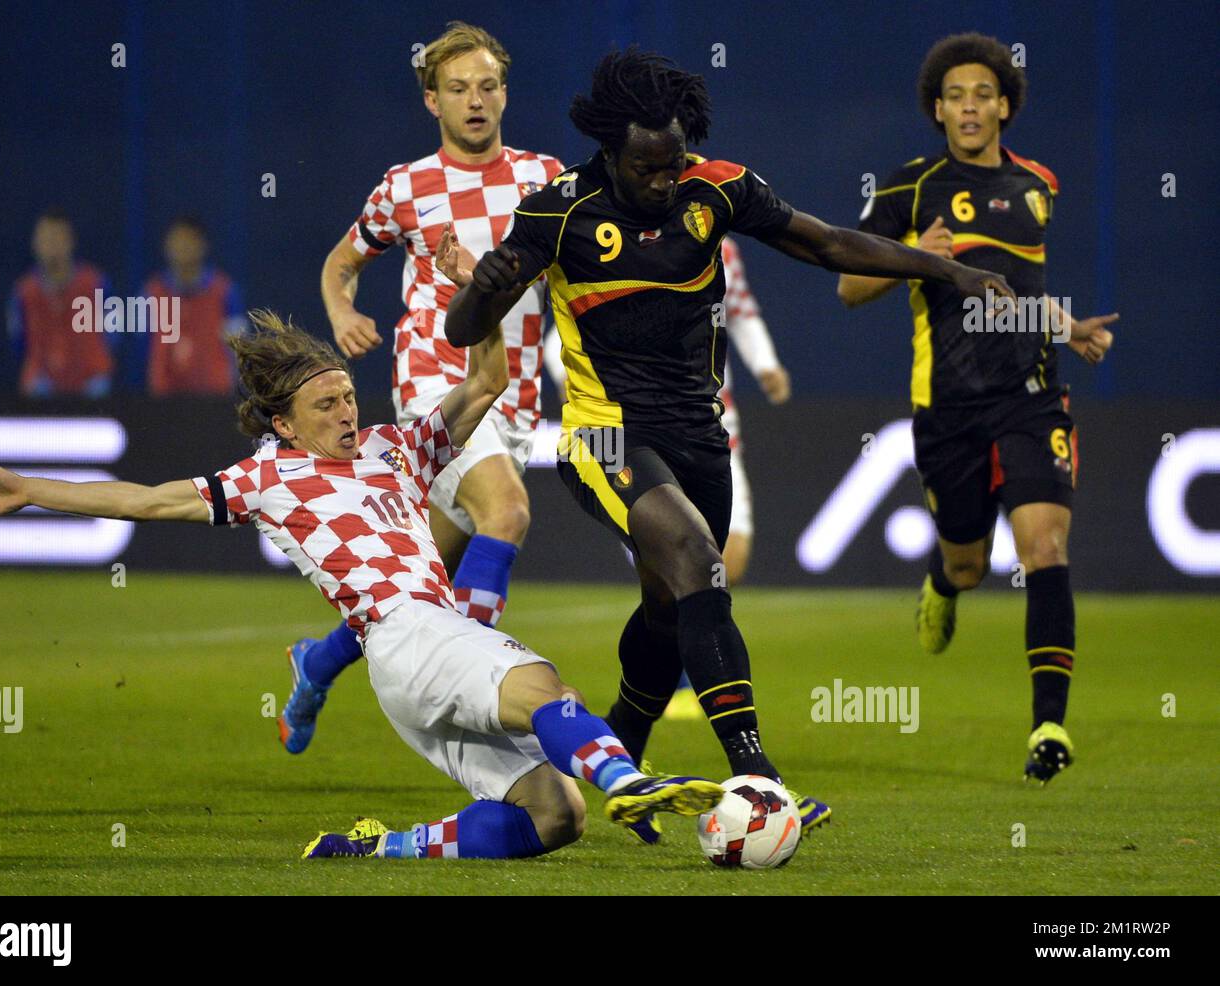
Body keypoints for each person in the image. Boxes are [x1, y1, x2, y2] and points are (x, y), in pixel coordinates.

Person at [446, 48, 1017, 839]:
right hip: (604, 435)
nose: (663, 181)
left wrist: (941, 271)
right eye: (647, 169)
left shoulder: (716, 188)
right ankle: (759, 776)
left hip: (697, 436)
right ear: (610, 154)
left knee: (667, 608)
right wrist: (483, 285)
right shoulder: (557, 214)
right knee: (696, 561)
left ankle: (623, 762)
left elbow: (822, 242)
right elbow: (460, 330)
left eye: (672, 163)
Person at [0, 300, 725, 862]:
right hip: (408, 631)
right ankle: (627, 779)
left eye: (349, 395)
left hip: (407, 671)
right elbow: (145, 500)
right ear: (284, 423)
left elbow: (487, 379)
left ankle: (379, 847)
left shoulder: (396, 447)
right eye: (326, 405)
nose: (347, 413)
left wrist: (480, 299)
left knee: (553, 817)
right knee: (541, 684)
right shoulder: (267, 476)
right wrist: (34, 489)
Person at [836, 33, 1116, 783]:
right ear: (938, 108)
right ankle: (943, 577)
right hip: (948, 407)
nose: (969, 105)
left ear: (1004, 107)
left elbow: (1019, 294)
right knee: (971, 562)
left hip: (1032, 397)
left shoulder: (1037, 186)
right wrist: (914, 258)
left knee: (1045, 548)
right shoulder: (910, 188)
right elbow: (848, 288)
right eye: (956, 94)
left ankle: (1048, 726)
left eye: (983, 94)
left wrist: (1067, 326)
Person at [284, 22, 565, 755]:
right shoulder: (404, 188)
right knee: (506, 511)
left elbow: (573, 279)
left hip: (517, 394)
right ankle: (474, 681)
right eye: (458, 89)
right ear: (431, 101)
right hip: (439, 385)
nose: (476, 101)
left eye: (488, 86)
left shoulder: (547, 179)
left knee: (416, 579)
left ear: (505, 93)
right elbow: (341, 263)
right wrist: (342, 310)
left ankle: (317, 663)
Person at [544, 236, 792, 721]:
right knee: (682, 568)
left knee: (725, 561)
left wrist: (766, 365)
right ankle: (680, 692)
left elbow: (737, 310)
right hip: (630, 435)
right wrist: (576, 386)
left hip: (711, 429)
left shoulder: (721, 244)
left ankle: (631, 723)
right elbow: (562, 338)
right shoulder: (608, 242)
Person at [8, 209, 116, 398]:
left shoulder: (96, 283)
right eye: (46, 239)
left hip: (91, 383)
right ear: (35, 243)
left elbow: (113, 334)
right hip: (42, 384)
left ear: (71, 241)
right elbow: (18, 341)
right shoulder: (24, 291)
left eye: (58, 238)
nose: (52, 246)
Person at [144, 216, 247, 396]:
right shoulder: (152, 292)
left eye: (190, 240)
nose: (183, 247)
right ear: (167, 245)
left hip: (214, 396)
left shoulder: (225, 292)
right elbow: (143, 347)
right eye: (178, 240)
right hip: (164, 398)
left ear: (202, 245)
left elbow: (239, 347)